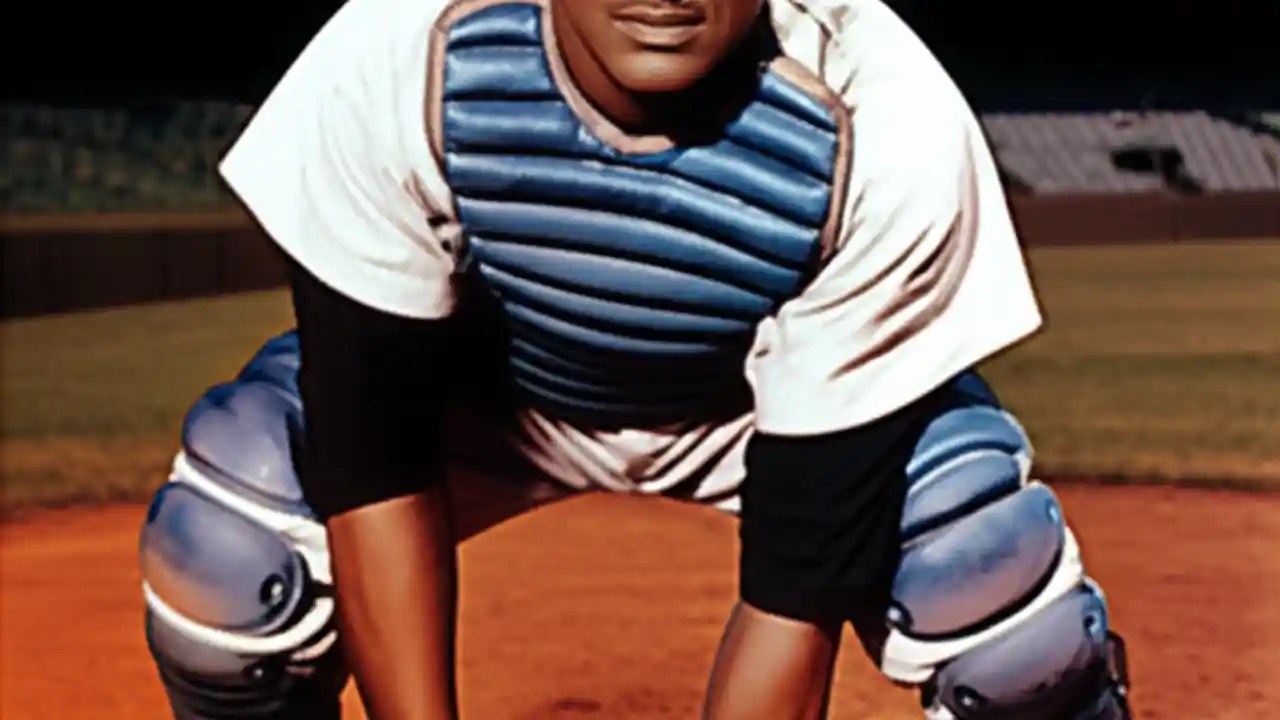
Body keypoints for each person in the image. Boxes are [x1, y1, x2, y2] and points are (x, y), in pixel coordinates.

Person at [136, 0, 1133, 717]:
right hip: (492, 398)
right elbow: (375, 470)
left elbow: (794, 599)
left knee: (990, 586)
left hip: (754, 414)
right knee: (231, 543)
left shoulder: (885, 118)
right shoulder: (399, 46)